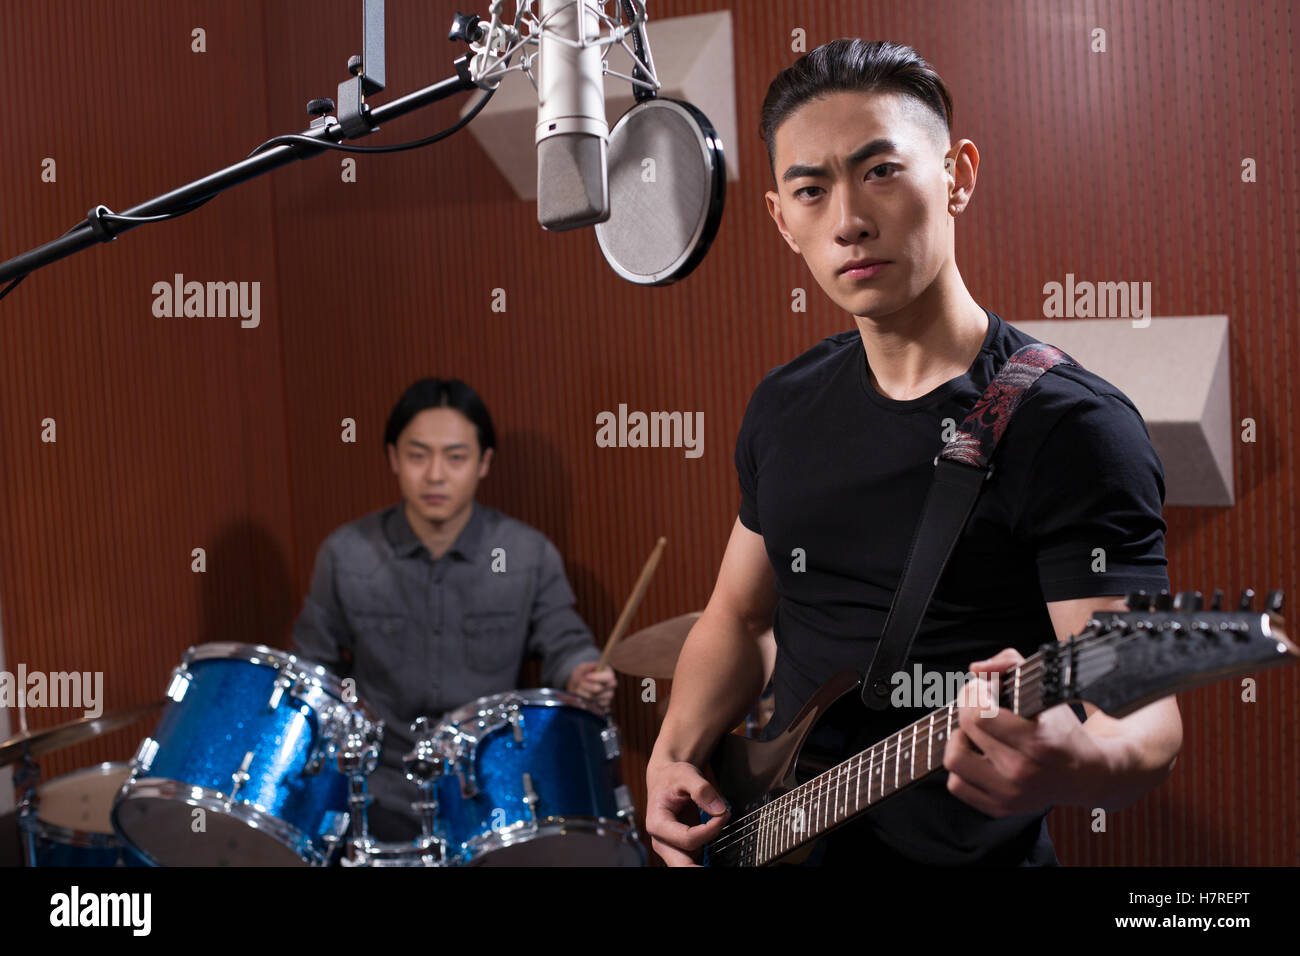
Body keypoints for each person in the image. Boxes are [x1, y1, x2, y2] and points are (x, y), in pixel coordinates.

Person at [645, 39, 1183, 867]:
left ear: (958, 174)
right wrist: (673, 755)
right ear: (782, 220)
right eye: (812, 191)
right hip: (775, 839)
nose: (850, 220)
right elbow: (741, 614)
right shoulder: (785, 406)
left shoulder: (1074, 430)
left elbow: (1143, 717)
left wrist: (1076, 761)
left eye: (881, 172)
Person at [292, 377, 616, 842]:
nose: (436, 475)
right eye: (418, 455)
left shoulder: (526, 553)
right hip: (376, 792)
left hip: (490, 791)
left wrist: (582, 673)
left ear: (484, 463)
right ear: (392, 458)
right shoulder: (346, 555)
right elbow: (313, 668)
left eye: (456, 457)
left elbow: (565, 640)